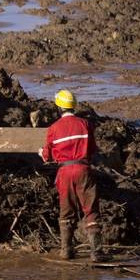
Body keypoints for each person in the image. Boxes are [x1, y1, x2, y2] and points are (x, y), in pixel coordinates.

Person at [40, 90, 102, 262]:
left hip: (65, 172)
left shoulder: (54, 128)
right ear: (73, 106)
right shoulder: (85, 124)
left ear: (59, 107)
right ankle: (96, 252)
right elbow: (92, 150)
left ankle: (66, 250)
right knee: (90, 210)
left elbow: (47, 156)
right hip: (83, 170)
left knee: (66, 210)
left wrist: (42, 153)